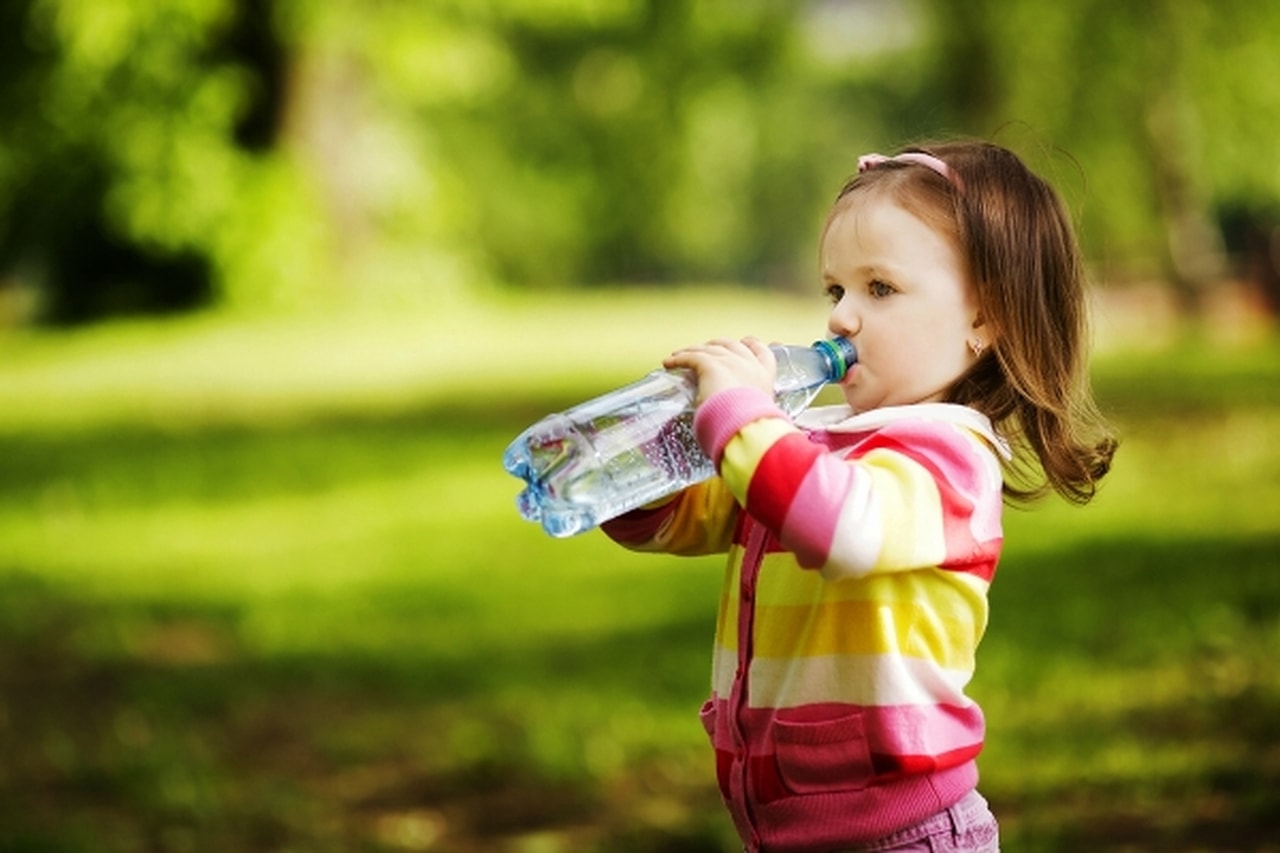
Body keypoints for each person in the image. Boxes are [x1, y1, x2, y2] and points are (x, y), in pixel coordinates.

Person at [601, 140, 1117, 852]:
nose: (842, 317)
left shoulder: (949, 459)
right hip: (791, 830)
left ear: (983, 318)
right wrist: (639, 471)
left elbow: (835, 523)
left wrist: (743, 418)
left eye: (880, 289)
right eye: (834, 290)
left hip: (903, 833)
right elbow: (701, 511)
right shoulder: (812, 442)